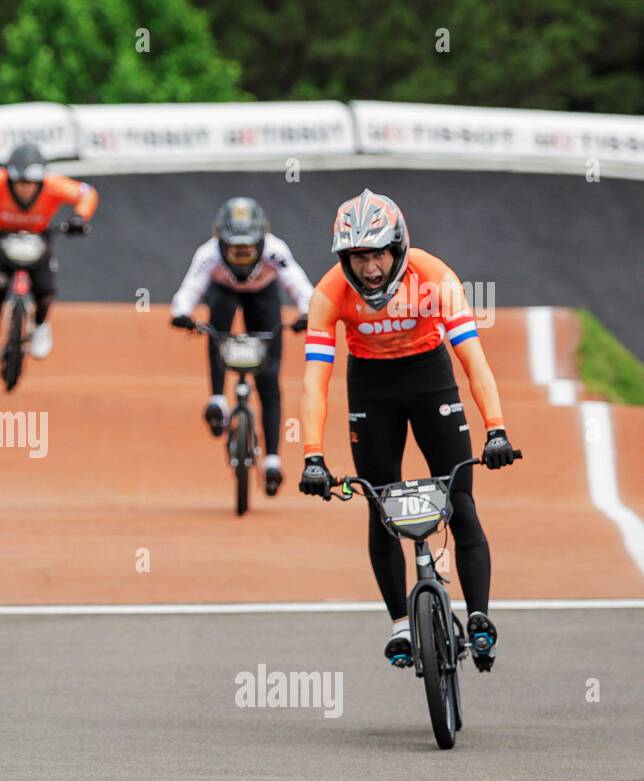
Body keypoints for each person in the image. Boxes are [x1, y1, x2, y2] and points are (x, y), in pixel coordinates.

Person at [297, 189, 518, 671]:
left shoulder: (435, 276)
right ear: (343, 257)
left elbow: (472, 359)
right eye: (358, 257)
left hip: (430, 381)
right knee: (378, 506)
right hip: (371, 389)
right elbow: (316, 377)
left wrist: (496, 429)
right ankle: (400, 624)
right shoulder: (329, 292)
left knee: (459, 502)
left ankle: (478, 617)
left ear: (398, 248)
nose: (370, 268)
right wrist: (313, 455)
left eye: (378, 253)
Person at [170, 198, 314, 495]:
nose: (241, 257)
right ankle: (218, 400)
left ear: (261, 243)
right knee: (216, 331)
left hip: (263, 295)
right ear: (220, 243)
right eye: (234, 250)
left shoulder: (276, 250)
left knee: (269, 377)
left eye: (247, 250)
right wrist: (181, 313)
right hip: (224, 292)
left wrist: (307, 313)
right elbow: (191, 287)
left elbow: (299, 284)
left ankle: (272, 460)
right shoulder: (208, 254)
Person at [0, 143, 97, 361]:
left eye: (31, 183)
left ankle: (41, 326)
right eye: (20, 182)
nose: (25, 188)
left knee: (45, 286)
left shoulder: (54, 184)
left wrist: (80, 217)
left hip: (38, 236)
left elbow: (87, 193)